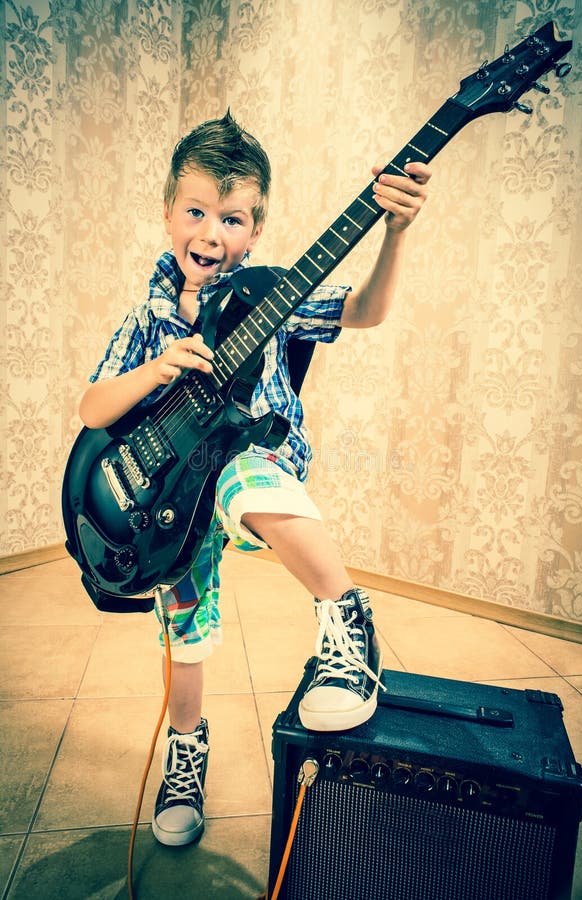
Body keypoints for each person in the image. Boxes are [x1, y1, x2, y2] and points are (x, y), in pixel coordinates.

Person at [79, 111, 431, 847]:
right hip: (171, 498)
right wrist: (156, 367)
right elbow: (92, 407)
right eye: (196, 212)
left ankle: (346, 618)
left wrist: (395, 233)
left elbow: (365, 311)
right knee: (184, 627)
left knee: (242, 475)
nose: (211, 232)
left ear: (255, 231)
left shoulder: (272, 296)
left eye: (232, 218)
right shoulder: (147, 315)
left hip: (250, 464)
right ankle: (186, 756)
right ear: (168, 212)